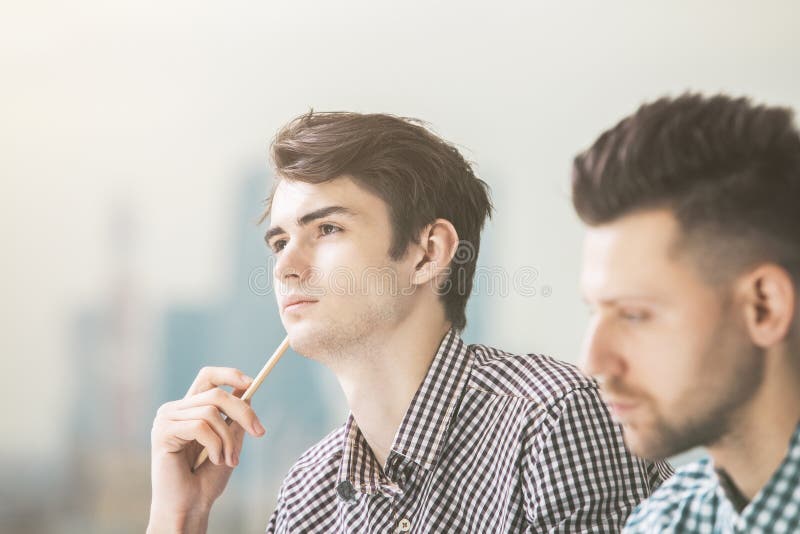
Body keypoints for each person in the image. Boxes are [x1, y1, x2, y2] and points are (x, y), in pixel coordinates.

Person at [148, 111, 669, 533]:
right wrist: (182, 515)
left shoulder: (552, 419)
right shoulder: (308, 493)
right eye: (280, 241)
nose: (285, 266)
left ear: (428, 252)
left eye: (326, 228)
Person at [573, 93, 800, 532]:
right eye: (594, 312)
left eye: (635, 315)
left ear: (763, 307)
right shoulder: (665, 520)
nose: (593, 363)